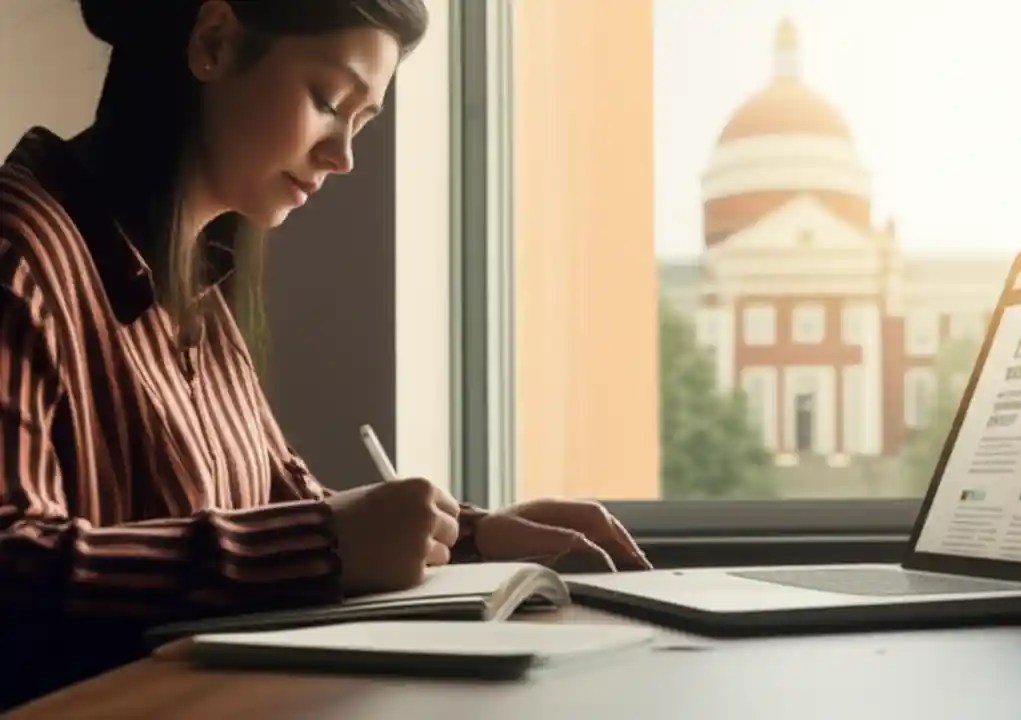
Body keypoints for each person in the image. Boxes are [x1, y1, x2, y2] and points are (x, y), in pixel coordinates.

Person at [0, 0, 649, 707]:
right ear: (214, 43)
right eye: (329, 101)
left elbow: (282, 505)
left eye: (361, 123)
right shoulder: (20, 257)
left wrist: (475, 537)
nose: (342, 157)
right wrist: (322, 544)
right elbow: (13, 565)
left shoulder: (192, 287)